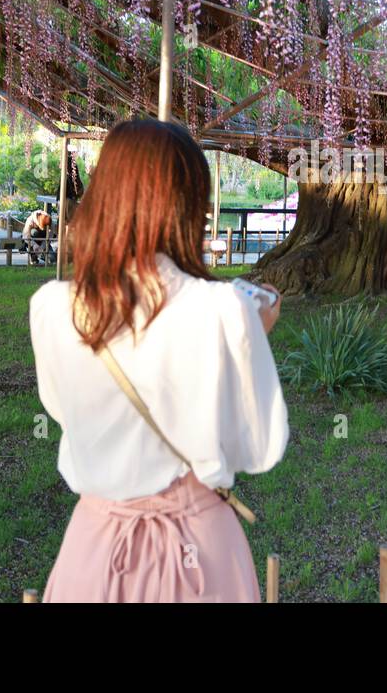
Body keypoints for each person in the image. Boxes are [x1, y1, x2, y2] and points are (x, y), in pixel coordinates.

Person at [32, 119, 288, 603]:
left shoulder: (51, 307)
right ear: (187, 207)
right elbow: (256, 449)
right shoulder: (224, 309)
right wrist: (251, 338)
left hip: (95, 549)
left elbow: (70, 413)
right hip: (199, 552)